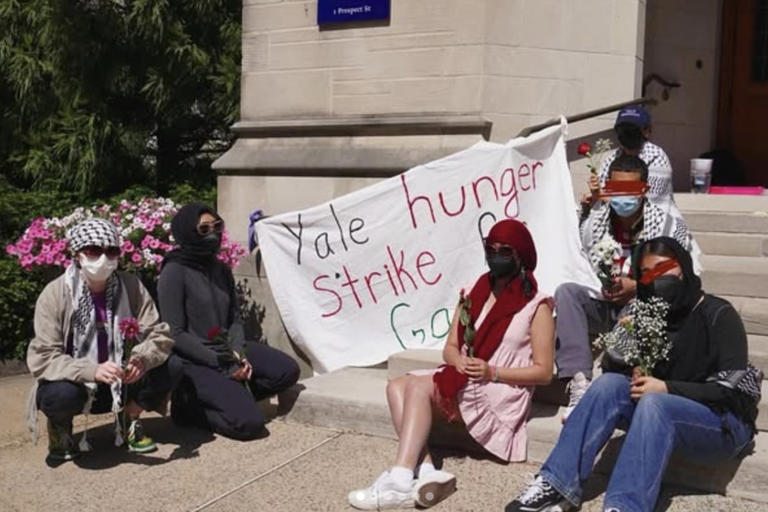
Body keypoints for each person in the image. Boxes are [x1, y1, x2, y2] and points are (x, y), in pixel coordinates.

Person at [506, 236, 760, 512]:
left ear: (684, 267)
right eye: (647, 273)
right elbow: (620, 371)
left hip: (723, 423)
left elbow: (728, 390)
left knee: (655, 402)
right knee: (608, 385)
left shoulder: (718, 314)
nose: (657, 278)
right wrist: (629, 357)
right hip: (664, 413)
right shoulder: (650, 313)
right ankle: (556, 484)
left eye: (664, 268)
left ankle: (626, 506)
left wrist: (666, 388)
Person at [347, 219, 555, 510]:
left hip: (500, 387)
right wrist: (459, 361)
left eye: (505, 251)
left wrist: (492, 371)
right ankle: (426, 471)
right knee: (396, 385)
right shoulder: (472, 293)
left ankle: (400, 479)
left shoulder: (537, 305)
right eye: (491, 249)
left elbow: (544, 372)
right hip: (466, 377)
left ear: (520, 255)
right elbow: (450, 348)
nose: (496, 256)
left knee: (417, 386)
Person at [26, 217, 180, 462]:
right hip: (79, 384)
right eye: (93, 251)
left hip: (122, 379)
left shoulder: (131, 286)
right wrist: (91, 370)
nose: (103, 258)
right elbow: (44, 358)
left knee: (173, 366)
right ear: (77, 254)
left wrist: (142, 358)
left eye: (111, 251)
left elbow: (158, 334)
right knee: (58, 395)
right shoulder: (55, 294)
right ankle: (60, 428)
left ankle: (129, 418)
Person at [558, 154, 695, 422]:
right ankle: (579, 382)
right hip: (605, 301)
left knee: (638, 306)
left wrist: (638, 285)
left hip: (644, 306)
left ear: (644, 189)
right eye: (616, 188)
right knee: (567, 293)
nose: (622, 196)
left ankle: (614, 385)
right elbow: (577, 249)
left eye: (629, 189)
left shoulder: (668, 224)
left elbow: (681, 268)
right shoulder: (596, 221)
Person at [157, 203, 300, 441]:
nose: (213, 233)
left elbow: (233, 317)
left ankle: (233, 396)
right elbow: (176, 333)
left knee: (286, 371)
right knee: (248, 425)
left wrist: (238, 353)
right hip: (195, 359)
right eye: (204, 229)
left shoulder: (220, 268)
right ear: (188, 231)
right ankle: (188, 407)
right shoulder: (174, 271)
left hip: (227, 351)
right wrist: (221, 363)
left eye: (217, 226)